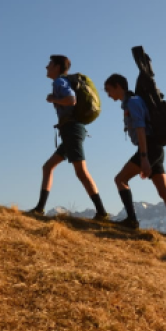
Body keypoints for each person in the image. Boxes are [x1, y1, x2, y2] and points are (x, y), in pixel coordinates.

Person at [102, 74, 166, 239]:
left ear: (118, 86)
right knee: (164, 190)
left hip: (148, 147)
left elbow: (141, 129)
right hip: (155, 147)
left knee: (120, 179)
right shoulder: (133, 102)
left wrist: (144, 157)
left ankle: (132, 221)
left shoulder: (133, 103)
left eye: (109, 90)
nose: (108, 95)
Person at [30, 54, 109, 220]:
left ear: (57, 67)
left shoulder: (59, 82)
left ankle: (102, 212)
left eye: (49, 64)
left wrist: (54, 99)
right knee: (48, 167)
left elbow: (72, 100)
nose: (46, 67)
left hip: (72, 130)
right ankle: (39, 208)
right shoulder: (60, 81)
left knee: (81, 171)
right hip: (70, 131)